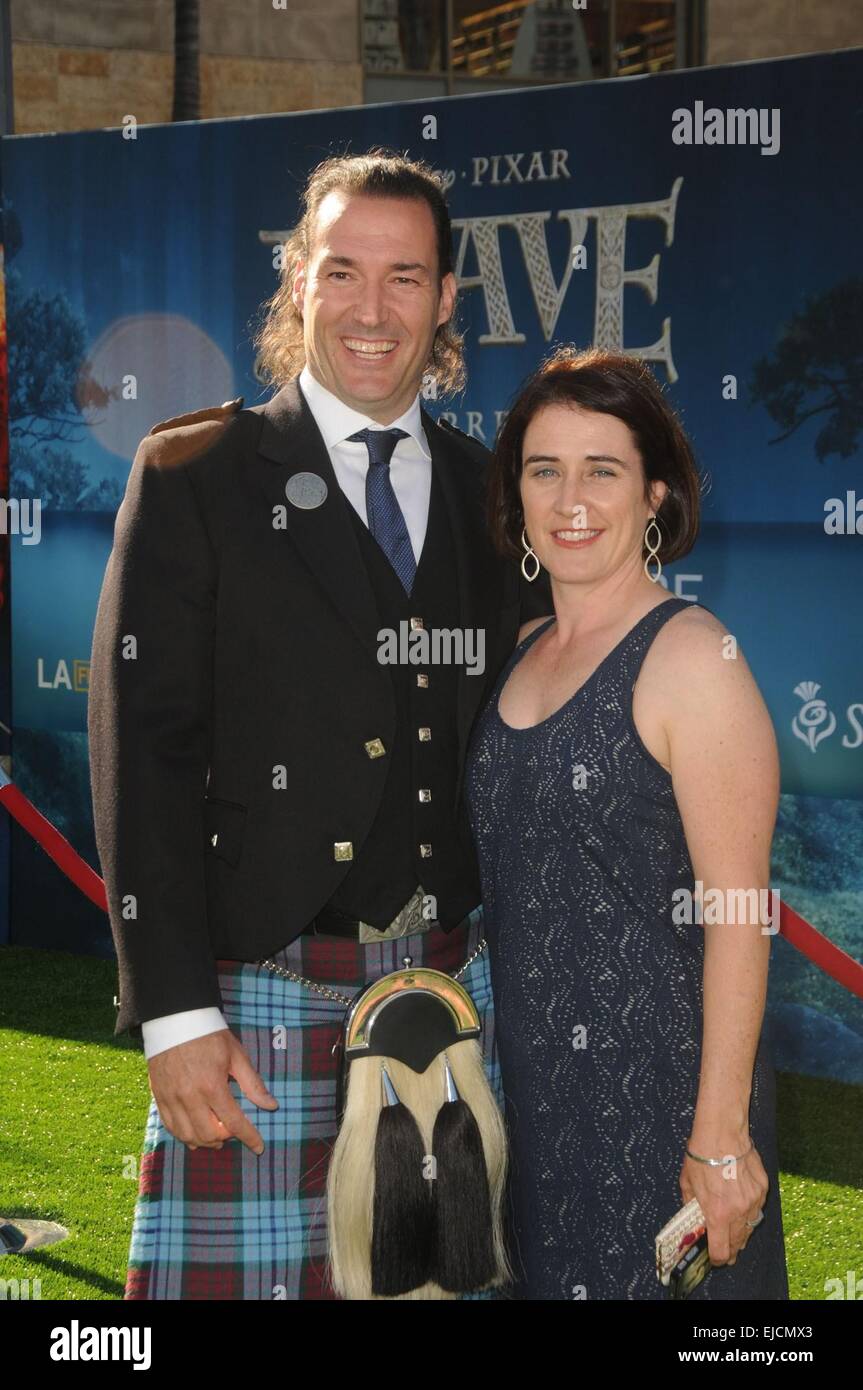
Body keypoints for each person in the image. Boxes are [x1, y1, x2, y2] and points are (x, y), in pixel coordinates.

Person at [87, 147, 551, 1301]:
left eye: (405, 279)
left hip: (453, 987)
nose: (371, 309)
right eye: (342, 271)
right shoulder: (194, 474)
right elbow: (142, 752)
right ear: (297, 278)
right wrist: (173, 1012)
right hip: (255, 997)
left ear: (447, 300)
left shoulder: (494, 494)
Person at [464, 345, 789, 1299]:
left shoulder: (692, 658)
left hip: (669, 1112)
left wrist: (719, 1138)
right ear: (515, 493)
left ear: (653, 494)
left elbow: (739, 917)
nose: (571, 498)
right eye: (544, 469)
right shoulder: (522, 647)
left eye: (602, 470)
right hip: (535, 1109)